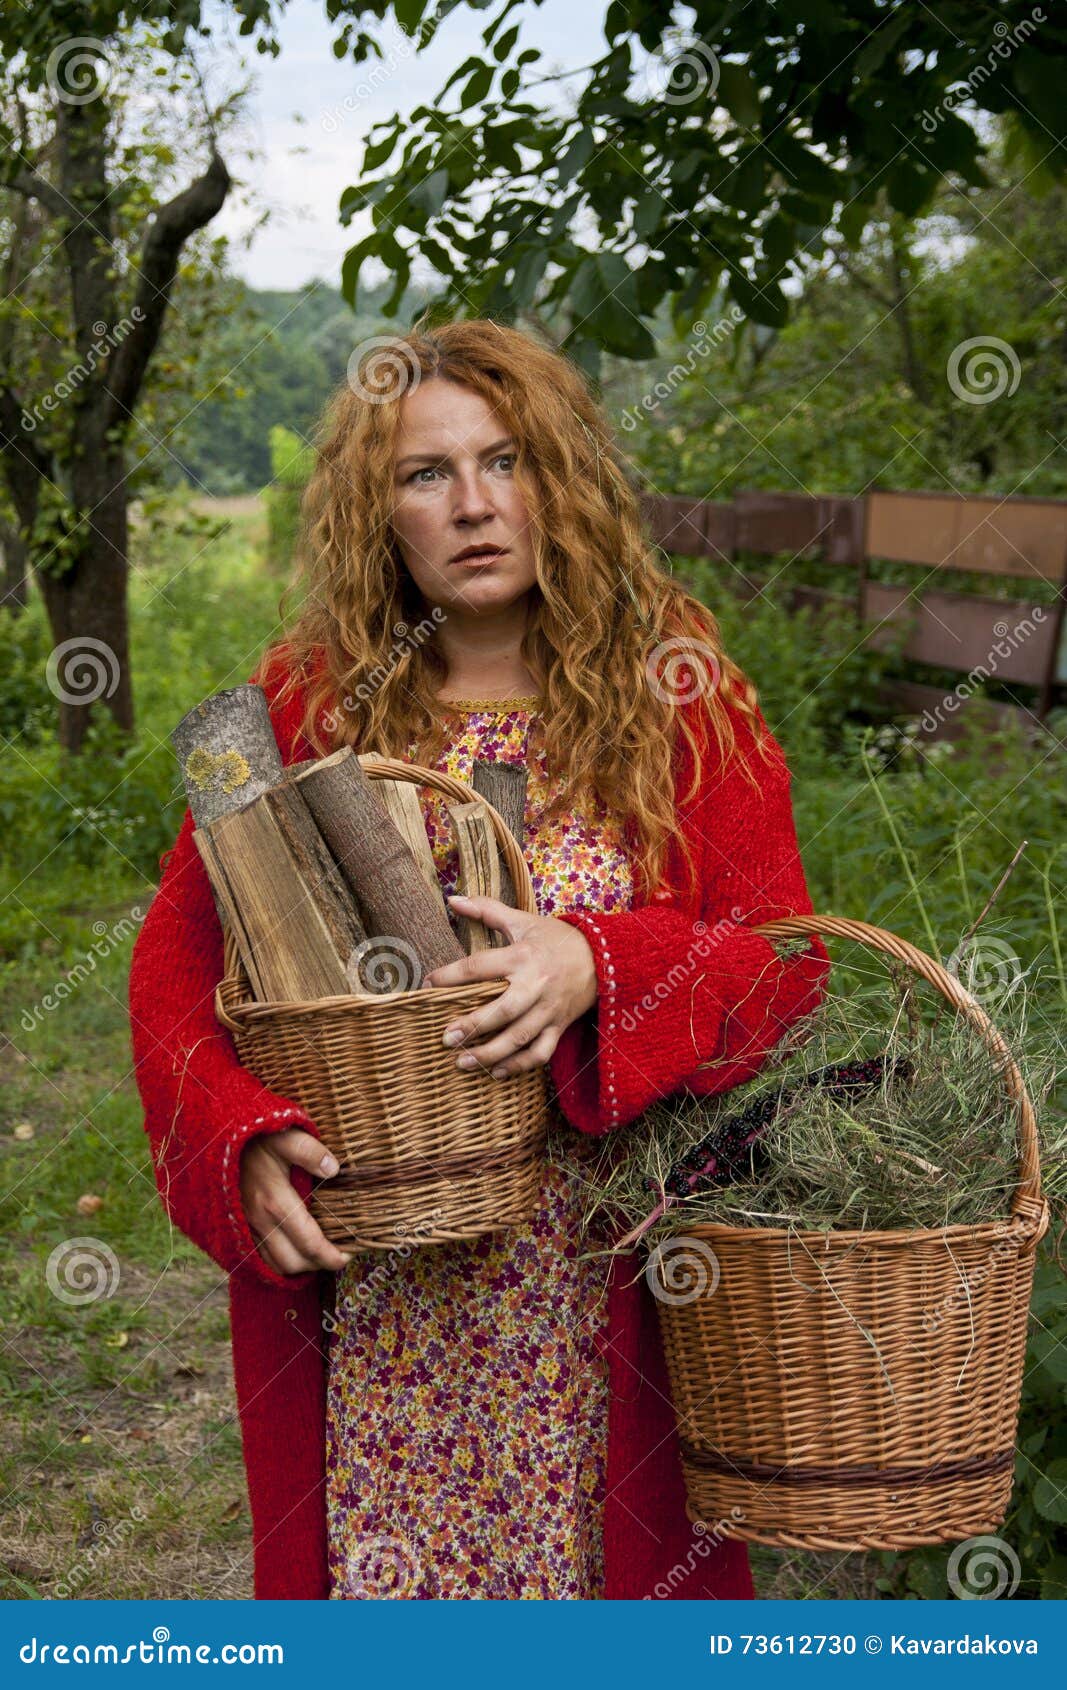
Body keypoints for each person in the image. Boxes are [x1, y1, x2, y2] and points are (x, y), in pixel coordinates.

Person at [128, 316, 827, 1600]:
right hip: (378, 1306)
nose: (472, 504)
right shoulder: (307, 701)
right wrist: (240, 1127)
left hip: (604, 1284)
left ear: (559, 478)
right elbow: (172, 970)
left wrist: (597, 964)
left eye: (506, 461)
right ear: (376, 511)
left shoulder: (674, 689)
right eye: (424, 473)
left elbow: (779, 960)